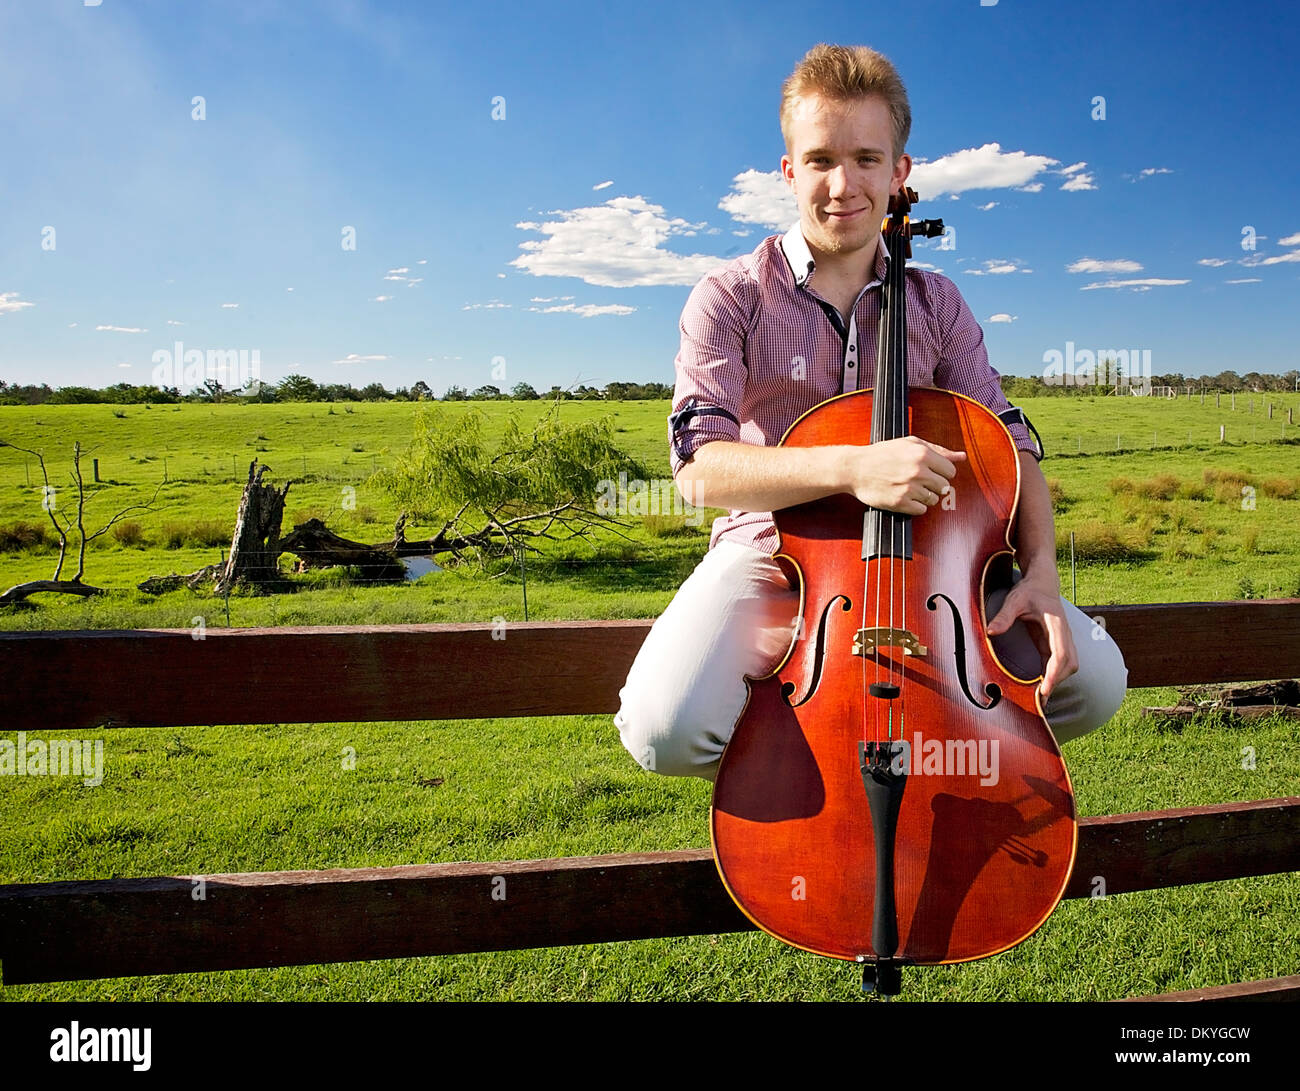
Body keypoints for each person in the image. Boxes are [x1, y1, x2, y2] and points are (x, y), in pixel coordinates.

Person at [615, 43, 1127, 780]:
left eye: (865, 158)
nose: (843, 185)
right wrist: (856, 467)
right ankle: (828, 770)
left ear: (899, 172)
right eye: (820, 159)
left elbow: (1013, 447)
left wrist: (1040, 570)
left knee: (1096, 680)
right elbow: (698, 466)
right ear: (789, 171)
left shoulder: (938, 303)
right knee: (665, 729)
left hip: (934, 570)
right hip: (772, 561)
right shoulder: (730, 296)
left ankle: (927, 761)